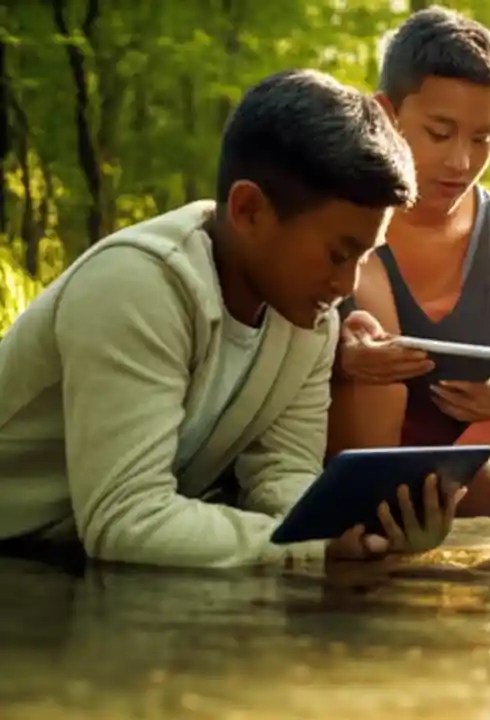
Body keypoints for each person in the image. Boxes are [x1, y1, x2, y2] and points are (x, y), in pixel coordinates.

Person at [0, 69, 464, 568]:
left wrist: (369, 531)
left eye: (364, 256)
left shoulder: (307, 315)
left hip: (76, 560)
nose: (348, 285)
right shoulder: (135, 284)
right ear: (248, 210)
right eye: (337, 253)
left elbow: (281, 476)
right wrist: (314, 548)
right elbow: (125, 520)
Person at [327, 6, 490, 527]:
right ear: (386, 114)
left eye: (481, 138)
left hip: (454, 476)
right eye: (440, 132)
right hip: (331, 457)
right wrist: (342, 361)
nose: (461, 163)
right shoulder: (331, 219)